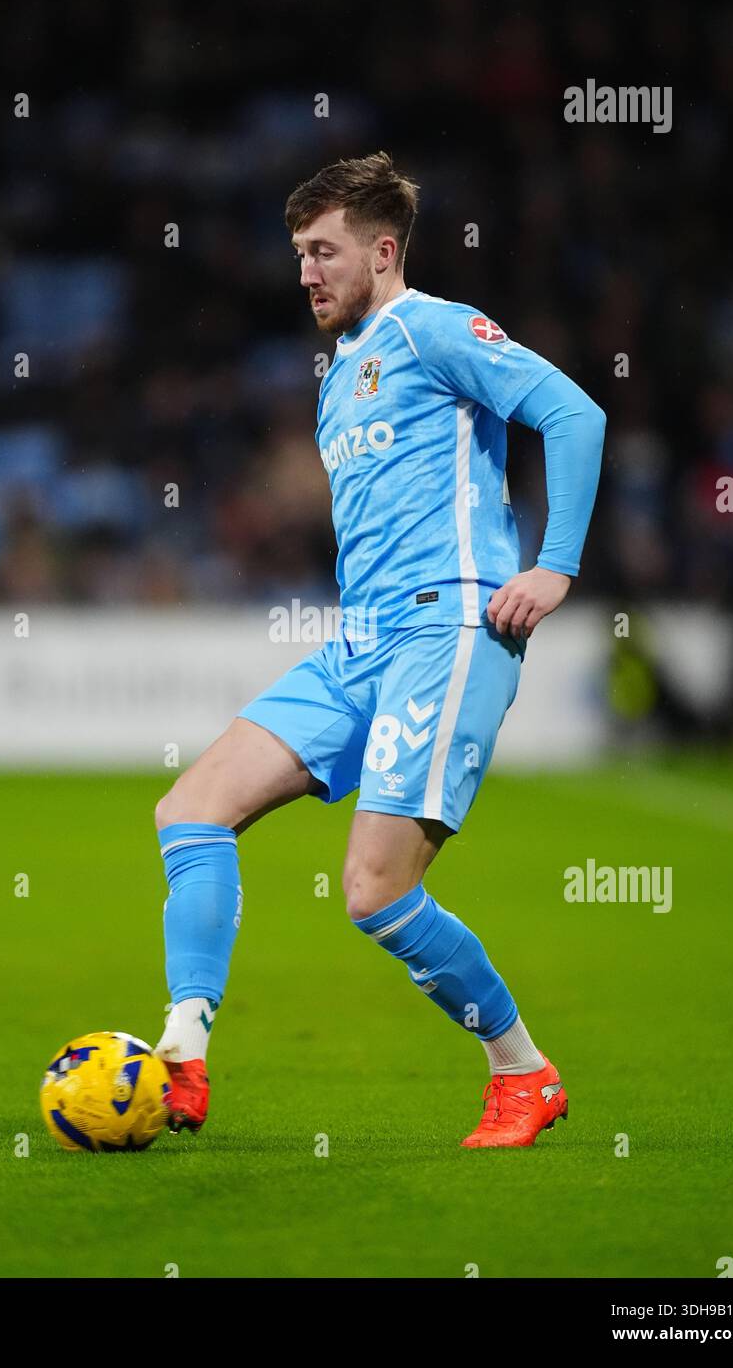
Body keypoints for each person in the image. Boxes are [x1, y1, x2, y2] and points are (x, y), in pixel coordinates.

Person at [153, 151, 605, 1148]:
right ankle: (182, 1053)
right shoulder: (336, 381)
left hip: (447, 629)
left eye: (323, 251)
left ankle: (522, 1072)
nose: (304, 272)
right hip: (359, 640)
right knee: (189, 809)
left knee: (375, 890)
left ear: (383, 251)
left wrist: (553, 564)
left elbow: (574, 411)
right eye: (298, 254)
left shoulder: (433, 329)